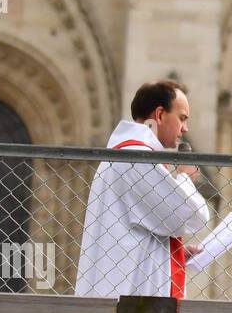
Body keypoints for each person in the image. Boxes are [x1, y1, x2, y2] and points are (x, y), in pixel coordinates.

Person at [75, 81, 210, 299]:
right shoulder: (138, 159)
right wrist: (185, 178)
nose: (185, 129)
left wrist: (170, 255)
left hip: (124, 289)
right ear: (159, 115)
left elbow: (138, 228)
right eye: (182, 118)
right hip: (129, 304)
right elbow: (194, 215)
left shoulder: (128, 156)